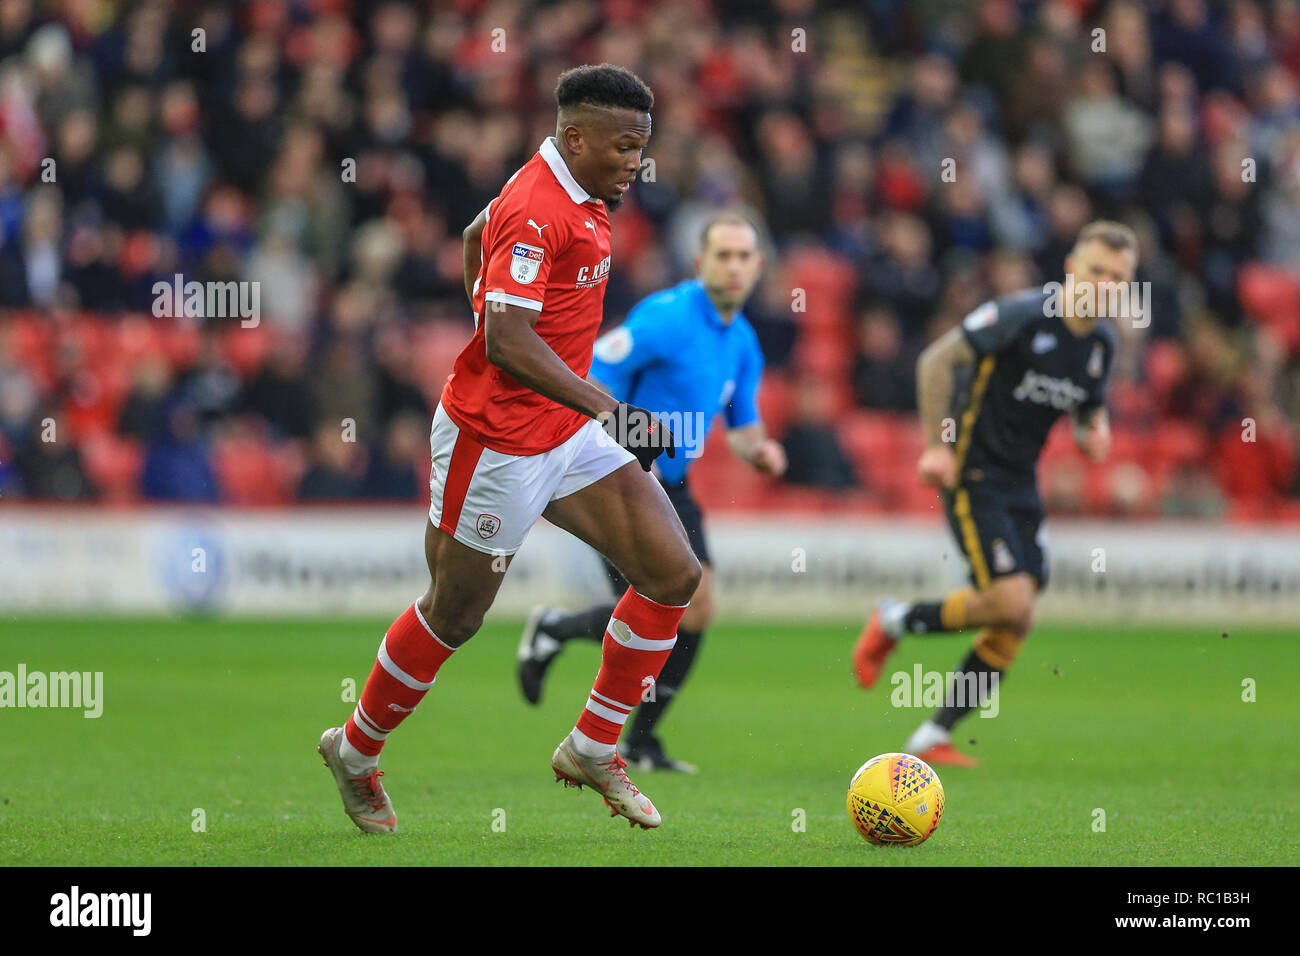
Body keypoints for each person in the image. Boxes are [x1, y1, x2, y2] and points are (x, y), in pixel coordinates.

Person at [318, 63, 701, 833]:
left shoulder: (580, 190)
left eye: (642, 147)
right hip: (494, 443)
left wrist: (580, 404)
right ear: (576, 136)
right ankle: (355, 751)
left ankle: (593, 745)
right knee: (454, 616)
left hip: (563, 428)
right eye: (626, 147)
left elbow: (472, 238)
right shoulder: (537, 206)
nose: (637, 162)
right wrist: (612, 410)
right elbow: (505, 338)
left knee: (672, 574)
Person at [852, 220, 1136, 767]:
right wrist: (937, 444)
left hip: (1022, 484)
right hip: (972, 472)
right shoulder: (1023, 315)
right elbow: (937, 360)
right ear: (1072, 267)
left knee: (1018, 616)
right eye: (1096, 270)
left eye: (1118, 278)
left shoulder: (1101, 342)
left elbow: (1088, 406)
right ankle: (892, 618)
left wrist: (1091, 431)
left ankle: (931, 735)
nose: (1104, 284)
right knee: (1012, 600)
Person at [515, 211, 787, 773]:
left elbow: (742, 426)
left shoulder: (743, 341)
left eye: (744, 257)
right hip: (618, 474)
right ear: (700, 262)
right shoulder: (665, 318)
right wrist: (634, 444)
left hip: (673, 483)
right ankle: (601, 719)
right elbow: (589, 376)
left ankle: (631, 730)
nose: (734, 266)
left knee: (695, 606)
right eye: (723, 255)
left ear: (758, 267)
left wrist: (761, 450)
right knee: (662, 604)